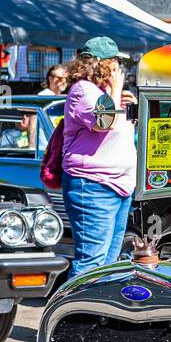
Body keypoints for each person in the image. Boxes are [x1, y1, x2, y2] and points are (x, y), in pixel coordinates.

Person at [60, 36, 137, 276]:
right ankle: (76, 312)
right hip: (93, 185)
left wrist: (130, 107)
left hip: (119, 186)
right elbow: (104, 124)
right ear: (100, 64)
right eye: (115, 62)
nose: (118, 68)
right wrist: (115, 91)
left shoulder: (104, 93)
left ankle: (98, 312)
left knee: (109, 261)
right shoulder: (83, 91)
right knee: (91, 261)